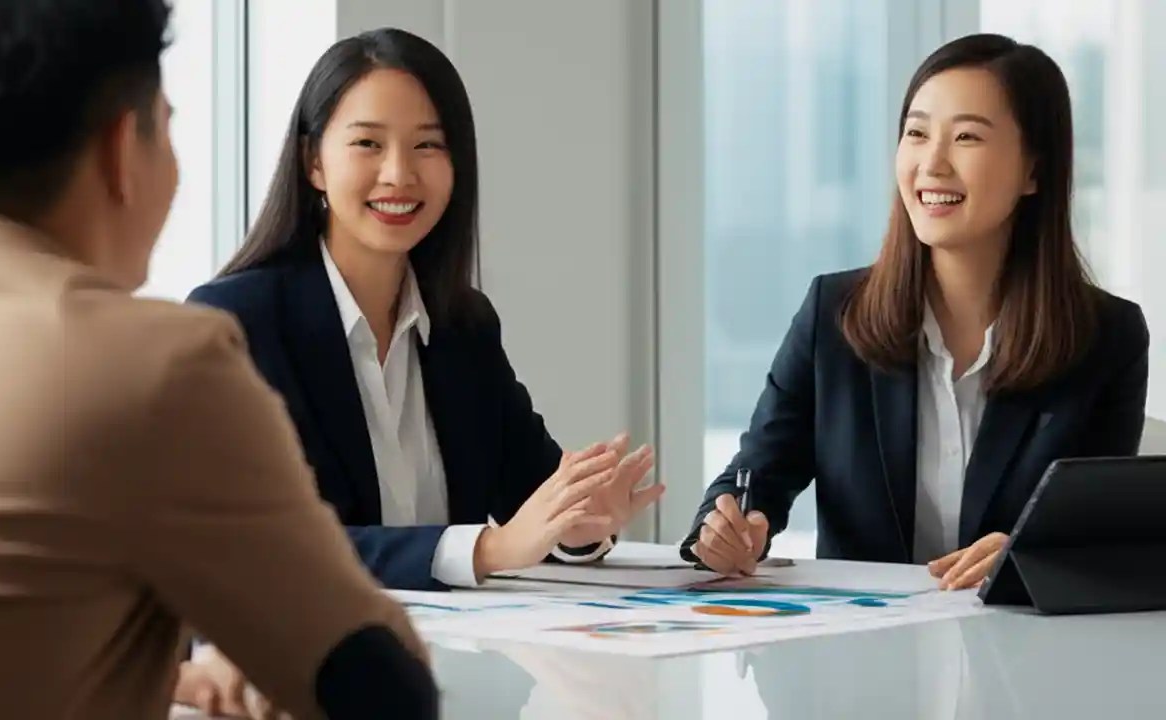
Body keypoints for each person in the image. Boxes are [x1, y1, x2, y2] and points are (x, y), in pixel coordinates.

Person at [0, 2, 435, 719]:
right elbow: (379, 687)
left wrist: (169, 673)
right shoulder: (156, 364)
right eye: (168, 125)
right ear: (123, 149)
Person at [187, 28, 663, 593]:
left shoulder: (464, 326)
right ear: (313, 161)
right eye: (368, 144)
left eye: (428, 145)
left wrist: (580, 524)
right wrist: (488, 548)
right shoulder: (237, 323)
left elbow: (533, 503)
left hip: (452, 661)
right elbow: (269, 544)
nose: (399, 174)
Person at [681, 33, 1149, 592]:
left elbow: (1099, 541)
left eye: (968, 137)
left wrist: (1030, 553)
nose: (932, 163)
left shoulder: (1106, 338)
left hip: (1023, 660)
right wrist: (731, 527)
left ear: (1034, 172)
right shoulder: (833, 315)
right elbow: (754, 475)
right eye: (917, 133)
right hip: (862, 659)